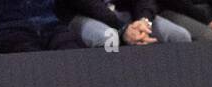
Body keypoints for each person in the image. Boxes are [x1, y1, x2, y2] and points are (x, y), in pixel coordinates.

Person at [59, 0, 192, 47]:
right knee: (108, 38)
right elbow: (88, 5)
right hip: (83, 15)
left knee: (180, 35)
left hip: (124, 12)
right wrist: (123, 29)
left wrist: (144, 21)